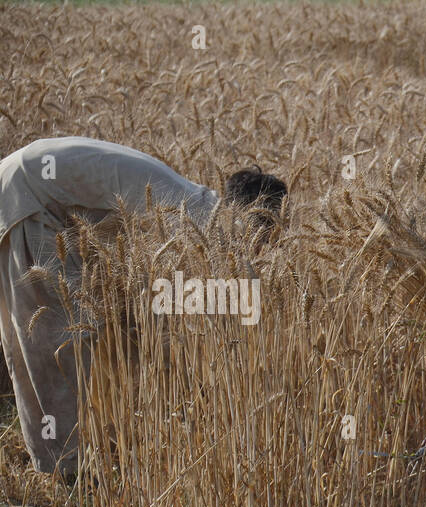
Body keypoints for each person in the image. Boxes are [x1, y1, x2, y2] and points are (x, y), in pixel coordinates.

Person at [0, 136, 285, 477]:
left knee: (73, 334)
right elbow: (166, 305)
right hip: (29, 197)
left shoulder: (198, 207)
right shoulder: (200, 221)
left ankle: (83, 448)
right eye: (270, 235)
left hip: (31, 183)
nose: (267, 248)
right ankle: (65, 469)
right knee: (55, 344)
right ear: (257, 219)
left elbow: (148, 300)